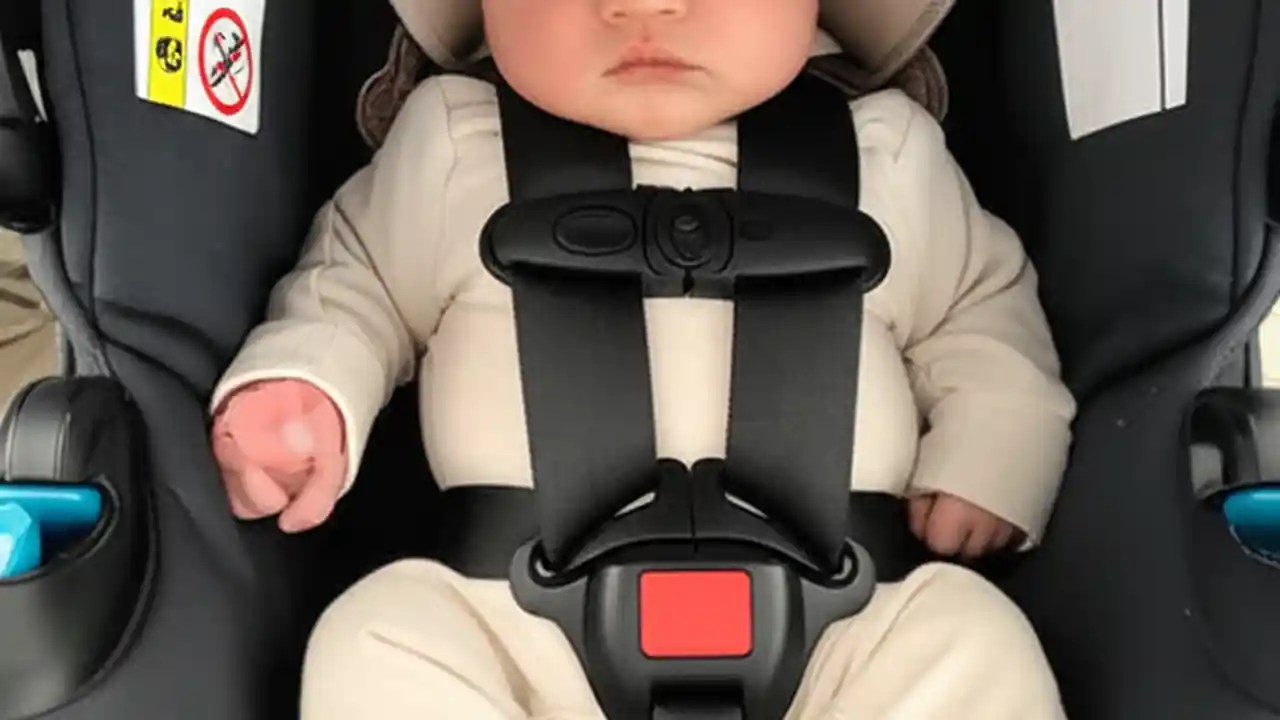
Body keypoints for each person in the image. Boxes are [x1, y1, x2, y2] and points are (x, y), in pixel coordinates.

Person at [209, 0, 1077, 716]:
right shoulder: (451, 142)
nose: (645, 8)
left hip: (847, 628)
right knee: (376, 635)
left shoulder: (889, 154)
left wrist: (992, 446)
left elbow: (981, 308)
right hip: (516, 628)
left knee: (974, 638)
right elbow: (353, 284)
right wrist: (306, 385)